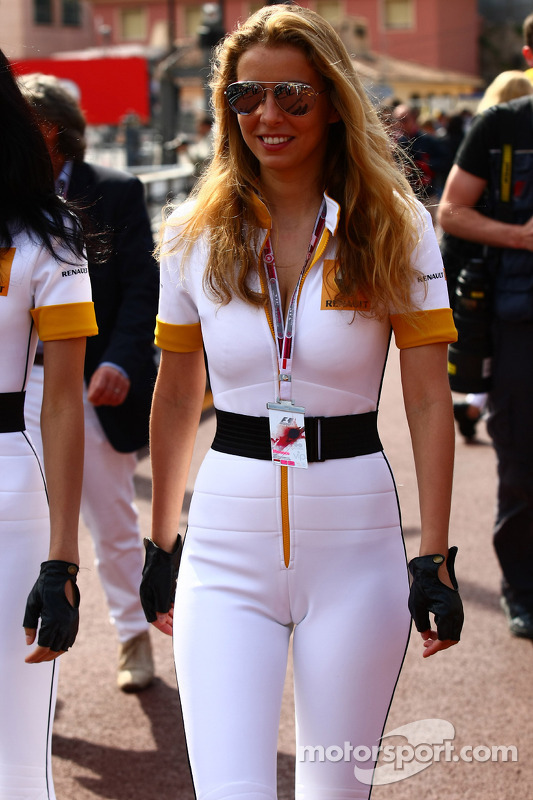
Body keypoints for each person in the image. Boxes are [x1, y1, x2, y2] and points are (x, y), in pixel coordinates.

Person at [141, 5, 463, 798]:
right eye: (245, 96)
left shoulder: (394, 226)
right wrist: (159, 544)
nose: (267, 116)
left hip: (355, 550)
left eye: (290, 95)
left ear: (332, 101)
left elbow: (428, 398)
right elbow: (177, 396)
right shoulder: (188, 232)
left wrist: (434, 556)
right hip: (223, 548)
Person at [19, 73, 160, 692]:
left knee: (112, 523)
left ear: (54, 133)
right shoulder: (8, 198)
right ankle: (25, 649)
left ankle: (133, 636)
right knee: (20, 522)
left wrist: (121, 362)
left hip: (93, 388)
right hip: (19, 392)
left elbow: (141, 290)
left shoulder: (115, 191)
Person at [0, 50, 97, 798]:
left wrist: (62, 560)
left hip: (9, 494)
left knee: (16, 754)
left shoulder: (49, 234)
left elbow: (63, 400)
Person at [438, 57, 533, 638]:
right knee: (521, 460)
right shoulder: (503, 125)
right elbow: (451, 212)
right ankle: (523, 589)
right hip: (519, 320)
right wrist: (520, 236)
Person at [442, 70, 533, 444]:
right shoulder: (496, 129)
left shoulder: (489, 124)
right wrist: (519, 236)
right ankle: (475, 404)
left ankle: (474, 405)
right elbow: (452, 211)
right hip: (499, 291)